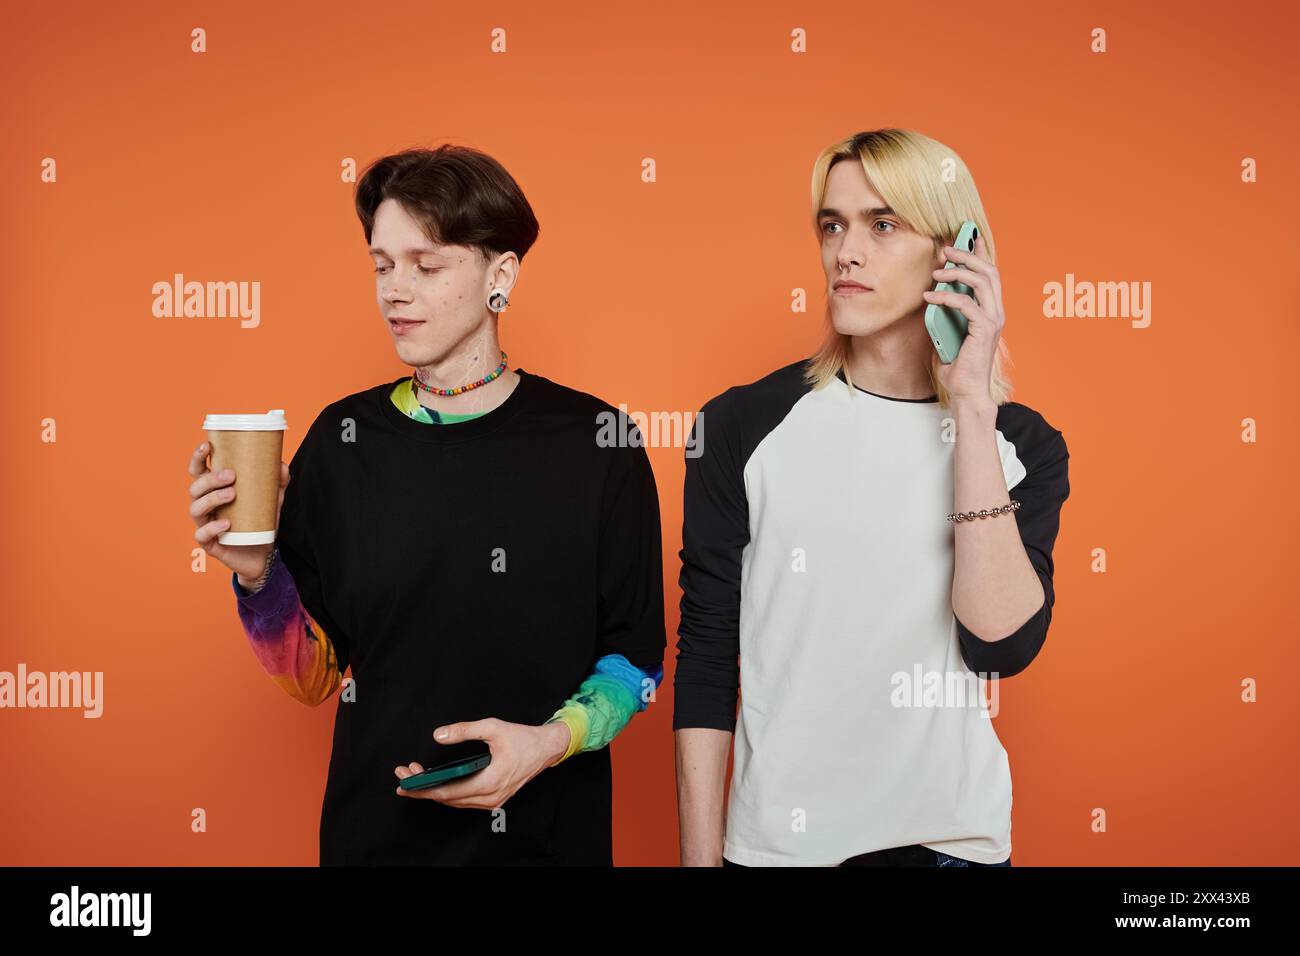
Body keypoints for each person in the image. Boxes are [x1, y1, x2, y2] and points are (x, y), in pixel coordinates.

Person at [186, 145, 666, 865]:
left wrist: (544, 745)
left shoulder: (598, 442)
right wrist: (258, 578)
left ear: (500, 275)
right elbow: (314, 679)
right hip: (377, 841)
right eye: (382, 265)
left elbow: (635, 661)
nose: (394, 292)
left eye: (427, 265)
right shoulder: (342, 441)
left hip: (547, 842)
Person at [672, 128, 1070, 867]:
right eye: (833, 224)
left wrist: (971, 410)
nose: (844, 251)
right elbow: (706, 654)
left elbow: (999, 647)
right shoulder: (740, 425)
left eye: (882, 225)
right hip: (782, 851)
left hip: (954, 847)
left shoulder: (1020, 445)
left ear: (958, 255)